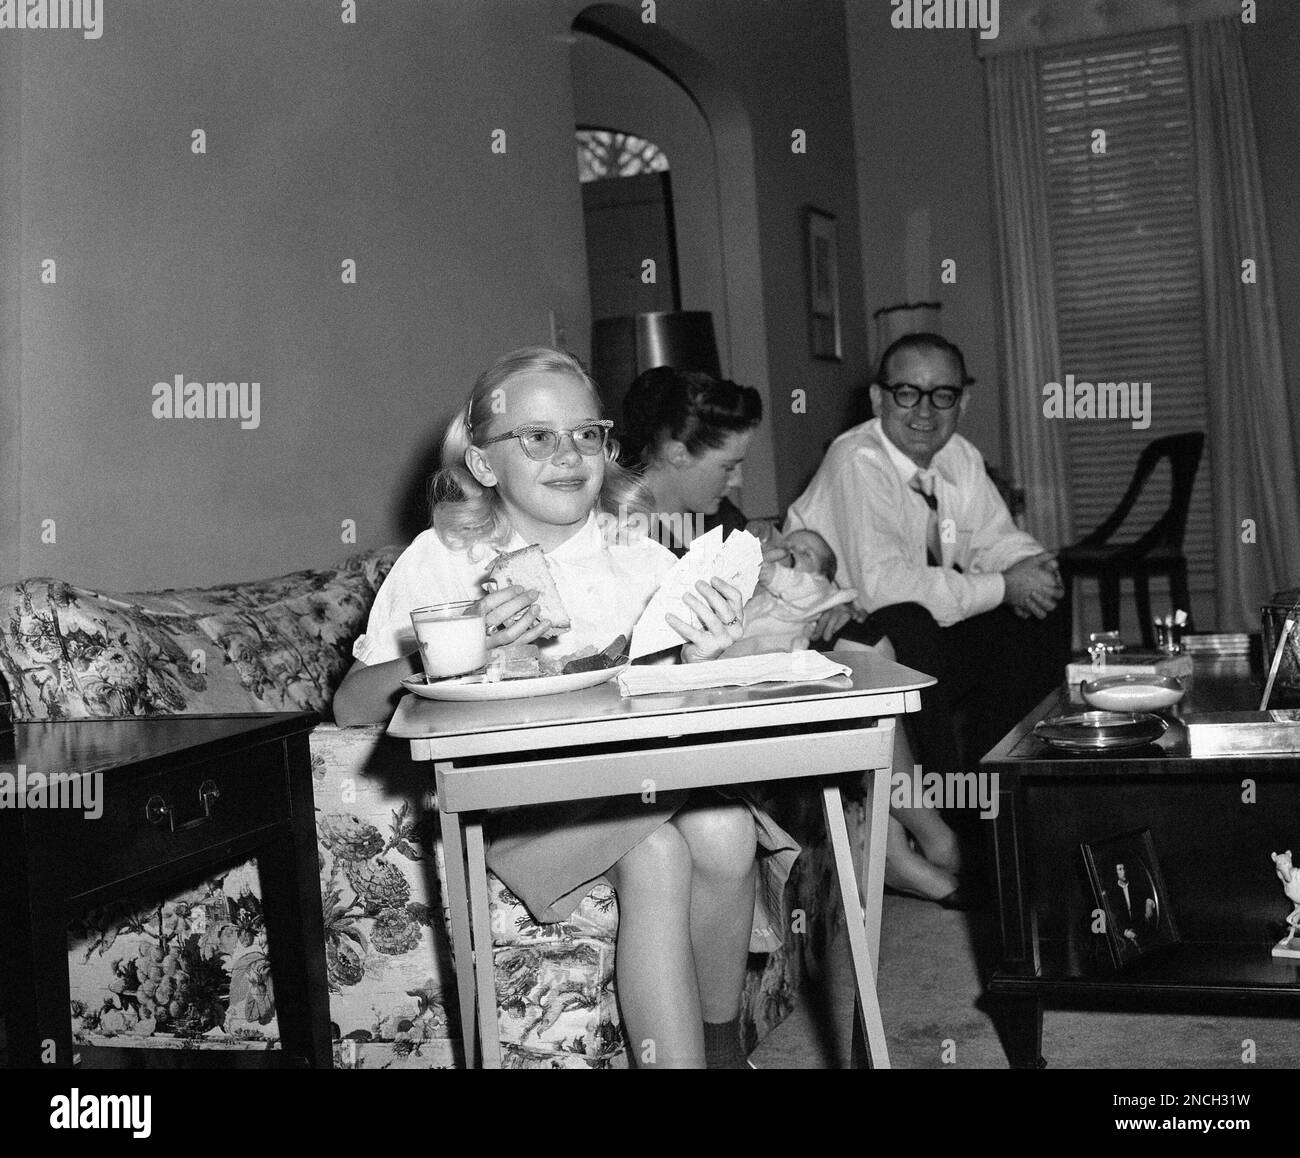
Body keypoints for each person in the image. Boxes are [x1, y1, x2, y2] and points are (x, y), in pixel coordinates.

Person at [333, 347, 799, 1069]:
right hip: (514, 794)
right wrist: (448, 648)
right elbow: (352, 705)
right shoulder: (445, 555)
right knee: (655, 850)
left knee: (727, 827)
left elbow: (674, 695)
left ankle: (722, 1049)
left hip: (630, 773)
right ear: (484, 464)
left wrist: (705, 658)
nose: (569, 455)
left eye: (588, 434)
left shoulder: (638, 555)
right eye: (538, 437)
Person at [623, 365, 969, 906]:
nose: (737, 480)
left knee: (866, 638)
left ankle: (906, 845)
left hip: (745, 653)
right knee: (856, 661)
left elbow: (778, 577)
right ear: (675, 453)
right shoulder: (628, 529)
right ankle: (924, 843)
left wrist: (826, 605)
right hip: (689, 694)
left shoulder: (709, 512)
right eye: (729, 465)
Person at [786, 332, 1069, 796]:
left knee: (1046, 598)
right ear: (878, 399)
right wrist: (1005, 585)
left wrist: (1031, 566)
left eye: (943, 395)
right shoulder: (858, 459)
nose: (925, 412)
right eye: (907, 393)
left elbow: (993, 538)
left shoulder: (957, 454)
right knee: (912, 622)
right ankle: (952, 809)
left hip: (917, 626)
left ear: (963, 402)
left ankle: (1015, 781)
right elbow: (886, 588)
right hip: (835, 635)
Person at [618, 365, 761, 554]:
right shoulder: (625, 538)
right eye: (728, 467)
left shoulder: (722, 517)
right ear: (679, 455)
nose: (737, 481)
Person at [721, 529, 858, 658]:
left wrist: (775, 575)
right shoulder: (764, 589)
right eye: (786, 548)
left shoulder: (819, 587)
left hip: (774, 654)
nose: (791, 553)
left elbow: (805, 589)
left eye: (805, 554)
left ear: (823, 574)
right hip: (732, 651)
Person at [1104, 861, 1156, 958]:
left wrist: (1148, 905)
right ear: (1116, 873)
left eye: (1124, 869)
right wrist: (1125, 932)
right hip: (1124, 934)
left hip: (1141, 928)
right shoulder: (1112, 893)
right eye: (1120, 869)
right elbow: (1114, 916)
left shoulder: (1136, 886)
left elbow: (1148, 898)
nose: (1123, 871)